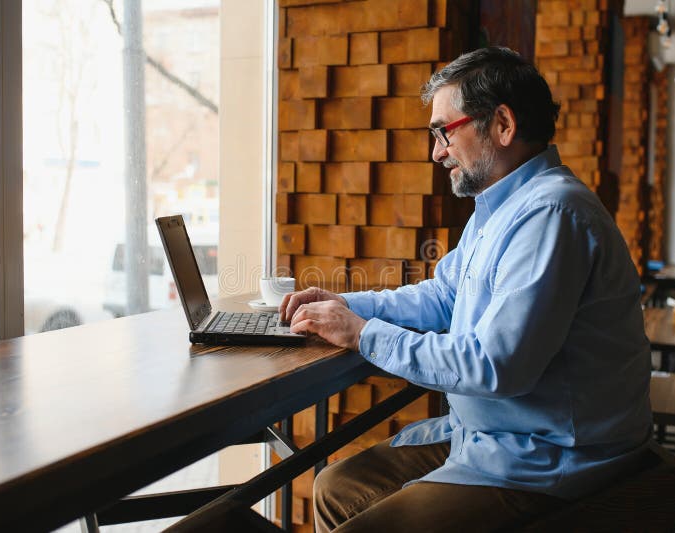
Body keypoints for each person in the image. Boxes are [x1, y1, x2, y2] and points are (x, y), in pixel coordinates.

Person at [279, 47, 652, 533]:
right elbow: (442, 297)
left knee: (362, 520)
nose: (436, 152)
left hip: (546, 458)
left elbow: (497, 367)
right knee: (336, 487)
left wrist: (362, 334)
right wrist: (344, 305)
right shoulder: (499, 208)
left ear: (502, 124)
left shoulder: (551, 215)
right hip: (490, 435)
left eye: (444, 132)